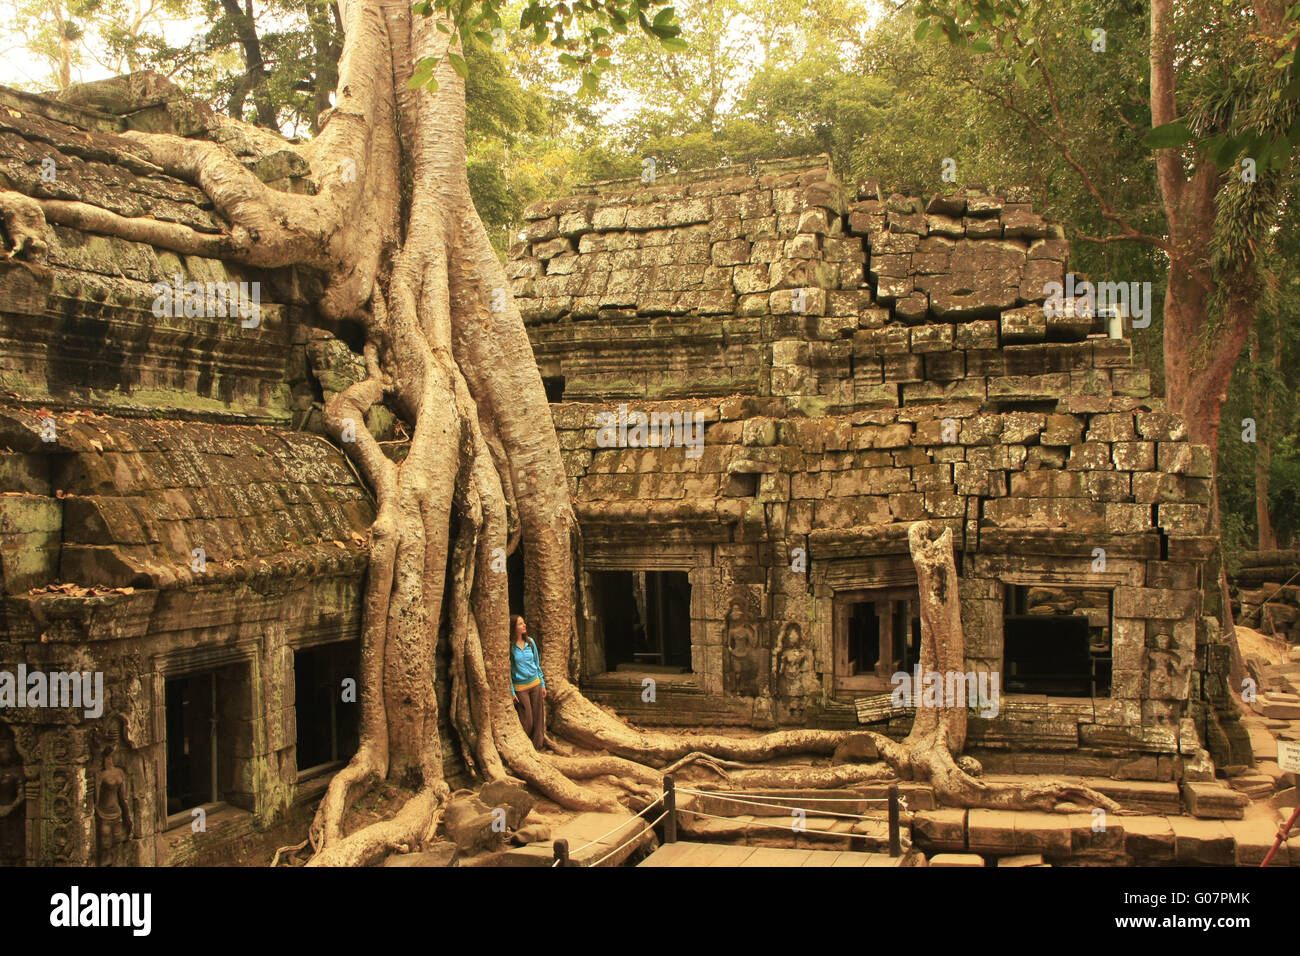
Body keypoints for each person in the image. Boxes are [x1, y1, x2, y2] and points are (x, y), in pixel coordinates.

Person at [509, 614, 547, 750]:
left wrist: (542, 684)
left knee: (538, 719)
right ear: (513, 628)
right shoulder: (510, 647)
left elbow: (537, 664)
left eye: (523, 623)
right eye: (520, 624)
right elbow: (507, 671)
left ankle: (537, 746)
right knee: (527, 720)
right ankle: (525, 747)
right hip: (520, 688)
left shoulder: (530, 642)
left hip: (535, 684)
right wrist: (512, 691)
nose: (524, 625)